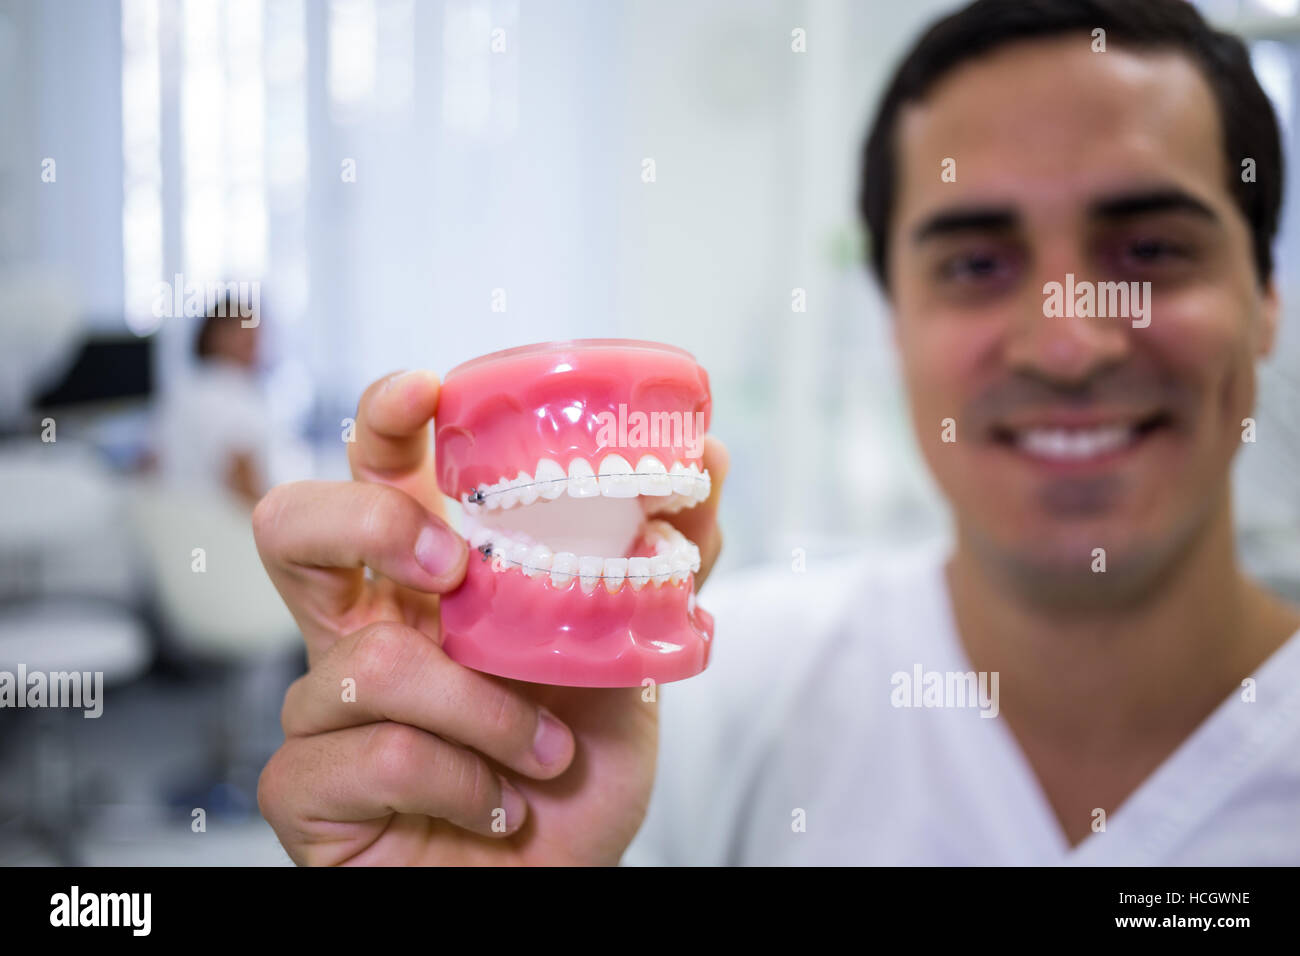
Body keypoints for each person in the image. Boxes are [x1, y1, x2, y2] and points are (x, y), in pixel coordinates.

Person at [252, 0, 1300, 865]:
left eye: (1151, 249)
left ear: (1265, 301)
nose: (1066, 343)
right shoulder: (668, 717)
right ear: (894, 318)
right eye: (977, 265)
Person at [156, 293, 268, 508]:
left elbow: (152, 463)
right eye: (248, 338)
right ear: (219, 336)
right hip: (231, 527)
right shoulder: (234, 391)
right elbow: (243, 479)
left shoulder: (184, 389)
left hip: (186, 522)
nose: (256, 346)